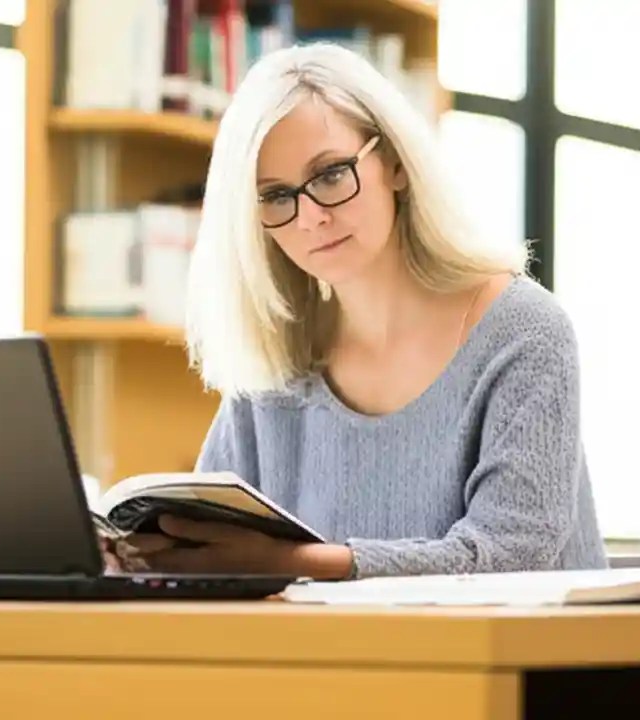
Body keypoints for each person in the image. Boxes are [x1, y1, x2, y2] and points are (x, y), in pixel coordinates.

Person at [112, 43, 607, 580]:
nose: (311, 218)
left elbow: (512, 554)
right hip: (342, 662)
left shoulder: (523, 331)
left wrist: (289, 564)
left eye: (329, 175)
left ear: (394, 162)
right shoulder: (276, 364)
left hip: (520, 661)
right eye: (278, 196)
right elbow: (207, 539)